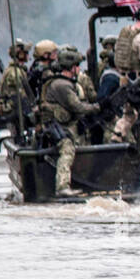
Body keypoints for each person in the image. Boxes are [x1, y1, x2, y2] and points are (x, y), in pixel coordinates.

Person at [39, 47, 99, 197]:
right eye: (77, 66)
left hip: (61, 126)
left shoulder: (62, 82)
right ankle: (62, 187)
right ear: (72, 68)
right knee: (67, 149)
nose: (79, 69)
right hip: (56, 128)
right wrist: (98, 107)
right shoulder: (62, 85)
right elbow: (77, 107)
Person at [111, 6, 140, 142]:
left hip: (125, 78)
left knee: (128, 114)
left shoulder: (125, 33)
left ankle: (117, 136)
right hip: (139, 80)